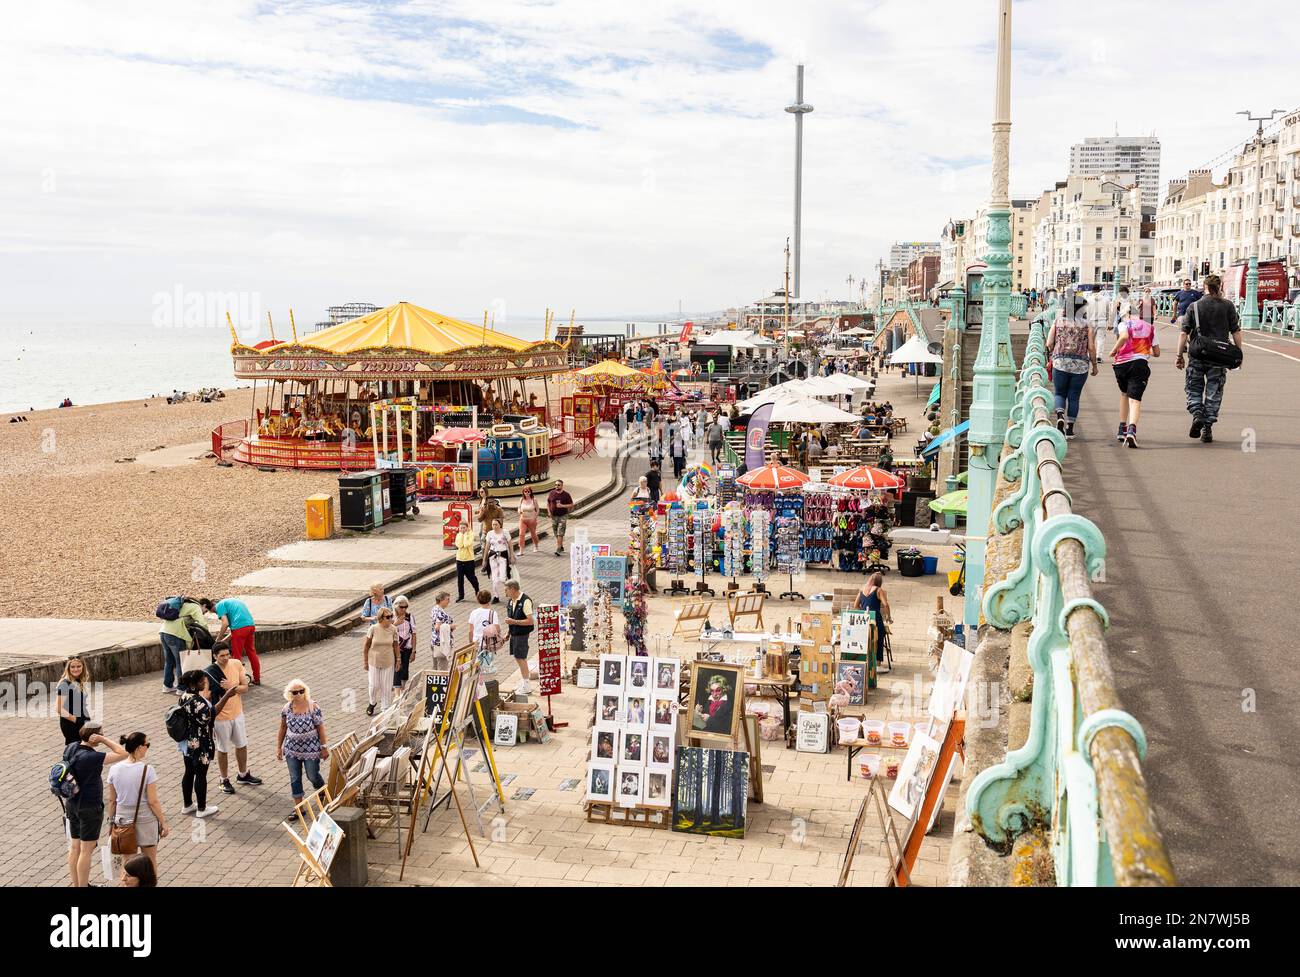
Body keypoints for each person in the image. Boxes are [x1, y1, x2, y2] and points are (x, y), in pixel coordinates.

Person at [1177, 274, 1242, 444]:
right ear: (1220, 286)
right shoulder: (1228, 306)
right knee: (1214, 391)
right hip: (1219, 356)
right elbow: (1236, 331)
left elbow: (1183, 333)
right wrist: (1238, 355)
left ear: (1205, 287)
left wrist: (1179, 356)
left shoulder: (1194, 306)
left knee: (1193, 387)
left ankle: (1197, 414)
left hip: (1198, 354)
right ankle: (1207, 428)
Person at [63, 723, 129, 887]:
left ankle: (78, 884)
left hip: (72, 803)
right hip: (89, 807)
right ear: (94, 736)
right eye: (100, 733)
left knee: (75, 847)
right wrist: (103, 739)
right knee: (86, 850)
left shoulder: (71, 747)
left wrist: (97, 737)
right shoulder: (92, 757)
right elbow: (123, 753)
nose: (103, 734)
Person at [105, 732, 169, 878]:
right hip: (146, 820)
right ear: (140, 747)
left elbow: (112, 801)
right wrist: (163, 822)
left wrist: (111, 823)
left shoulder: (114, 769)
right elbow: (153, 801)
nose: (147, 748)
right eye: (147, 745)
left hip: (123, 821)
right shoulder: (148, 770)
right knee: (150, 860)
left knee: (127, 863)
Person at [177, 669, 237, 818]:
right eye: (201, 681)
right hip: (200, 742)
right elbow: (211, 715)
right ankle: (202, 809)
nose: (204, 683)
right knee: (201, 774)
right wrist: (227, 696)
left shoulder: (184, 696)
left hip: (188, 741)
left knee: (189, 771)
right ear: (193, 684)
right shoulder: (197, 701)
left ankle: (187, 805)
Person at [206, 645, 261, 794]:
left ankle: (243, 775)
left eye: (227, 654)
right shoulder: (209, 673)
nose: (225, 658)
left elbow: (245, 688)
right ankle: (224, 779)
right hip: (220, 718)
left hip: (237, 714)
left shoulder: (236, 664)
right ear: (215, 656)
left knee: (242, 744)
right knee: (223, 749)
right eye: (221, 655)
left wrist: (232, 687)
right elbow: (206, 696)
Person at [276, 680, 329, 821]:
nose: (299, 694)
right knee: (295, 778)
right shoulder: (286, 708)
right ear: (289, 694)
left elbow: (320, 728)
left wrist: (324, 747)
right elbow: (282, 728)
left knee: (312, 775)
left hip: (311, 748)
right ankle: (299, 809)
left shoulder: (313, 706)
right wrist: (278, 747)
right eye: (295, 692)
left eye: (301, 691)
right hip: (292, 749)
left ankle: (322, 790)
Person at [1107, 311, 1160, 448]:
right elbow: (1157, 353)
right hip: (1139, 364)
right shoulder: (1150, 327)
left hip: (1121, 365)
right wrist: (1146, 348)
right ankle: (1131, 430)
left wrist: (1114, 350)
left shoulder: (1123, 324)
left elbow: (1124, 336)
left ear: (1128, 315)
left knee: (1124, 394)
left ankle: (1121, 428)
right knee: (1135, 400)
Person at [1046, 307, 1099, 439]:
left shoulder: (1058, 322)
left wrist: (1054, 353)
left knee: (1059, 393)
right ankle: (1069, 430)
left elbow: (1049, 343)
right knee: (1074, 397)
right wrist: (1095, 365)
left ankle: (1059, 416)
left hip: (1060, 363)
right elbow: (1091, 347)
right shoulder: (1087, 325)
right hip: (1080, 366)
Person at [200, 596, 261, 686]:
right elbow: (235, 631)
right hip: (250, 626)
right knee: (251, 652)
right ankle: (257, 678)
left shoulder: (219, 606)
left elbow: (226, 623)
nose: (218, 615)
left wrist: (218, 639)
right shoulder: (229, 602)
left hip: (240, 628)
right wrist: (224, 641)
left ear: (206, 606)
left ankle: (236, 681)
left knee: (236, 657)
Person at [158, 596, 208, 695]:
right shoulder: (196, 607)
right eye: (205, 611)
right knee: (181, 661)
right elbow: (203, 623)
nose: (204, 613)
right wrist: (208, 635)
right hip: (175, 634)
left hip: (163, 632)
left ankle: (167, 686)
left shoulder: (183, 605)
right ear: (203, 606)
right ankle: (181, 688)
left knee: (169, 661)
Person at [854, 572, 893, 678]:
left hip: (864, 620)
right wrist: (888, 617)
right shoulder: (878, 590)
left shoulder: (862, 589)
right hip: (875, 619)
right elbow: (885, 604)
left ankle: (865, 660)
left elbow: (855, 605)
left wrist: (862, 614)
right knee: (880, 636)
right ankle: (878, 664)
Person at [363, 606, 399, 716]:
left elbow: (396, 645)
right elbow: (366, 645)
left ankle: (385, 708)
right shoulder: (373, 629)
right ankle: (372, 702)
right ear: (381, 618)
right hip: (374, 660)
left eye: (391, 616)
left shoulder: (393, 629)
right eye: (388, 617)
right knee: (374, 685)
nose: (390, 619)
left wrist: (398, 660)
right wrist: (365, 661)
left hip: (388, 661)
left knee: (386, 687)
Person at [503, 580, 535, 695]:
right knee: (518, 658)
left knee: (521, 658)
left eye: (506, 589)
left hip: (522, 634)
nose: (505, 592)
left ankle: (526, 685)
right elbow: (511, 619)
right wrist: (508, 633)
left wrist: (514, 622)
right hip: (514, 633)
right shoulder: (511, 601)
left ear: (512, 589)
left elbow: (530, 621)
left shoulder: (525, 601)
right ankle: (525, 682)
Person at [56, 656, 93, 745]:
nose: (75, 669)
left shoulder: (78, 681)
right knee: (77, 749)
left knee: (85, 748)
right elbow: (59, 709)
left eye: (78, 666)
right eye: (72, 667)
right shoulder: (65, 684)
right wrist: (77, 720)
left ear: (83, 667)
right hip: (71, 724)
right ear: (68, 668)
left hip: (82, 720)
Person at [468, 589, 501, 673]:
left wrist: (471, 642)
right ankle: (486, 682)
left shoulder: (474, 613)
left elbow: (470, 631)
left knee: (476, 666)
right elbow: (497, 629)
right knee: (487, 666)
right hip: (488, 643)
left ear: (478, 600)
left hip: (476, 642)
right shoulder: (493, 613)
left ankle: (477, 683)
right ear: (489, 599)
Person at [483, 517, 512, 603]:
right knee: (495, 579)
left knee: (503, 578)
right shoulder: (490, 534)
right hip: (492, 557)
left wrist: (512, 556)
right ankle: (496, 596)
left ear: (500, 525)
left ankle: (510, 592)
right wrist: (484, 560)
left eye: (496, 524)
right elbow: (487, 547)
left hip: (503, 556)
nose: (494, 526)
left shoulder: (505, 532)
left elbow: (510, 545)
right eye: (493, 524)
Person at [393, 595, 416, 692]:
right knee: (397, 670)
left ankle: (402, 690)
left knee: (405, 671)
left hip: (407, 647)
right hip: (395, 647)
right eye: (401, 607)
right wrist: (395, 624)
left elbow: (414, 634)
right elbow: (385, 631)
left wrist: (414, 651)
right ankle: (397, 694)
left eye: (406, 607)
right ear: (395, 606)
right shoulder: (391, 617)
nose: (404, 609)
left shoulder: (410, 617)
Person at [453, 521, 480, 602]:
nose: (462, 529)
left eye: (464, 528)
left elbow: (466, 544)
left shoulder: (470, 535)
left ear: (467, 528)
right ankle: (461, 595)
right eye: (461, 528)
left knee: (471, 577)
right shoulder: (458, 535)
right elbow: (459, 545)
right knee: (460, 579)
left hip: (469, 560)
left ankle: (477, 590)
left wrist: (465, 535)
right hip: (459, 560)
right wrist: (462, 535)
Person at [547, 479, 574, 555]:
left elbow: (571, 504)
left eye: (558, 485)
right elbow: (548, 503)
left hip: (563, 516)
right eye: (555, 485)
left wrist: (562, 506)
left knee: (560, 533)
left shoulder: (566, 495)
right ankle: (561, 546)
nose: (557, 486)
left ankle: (558, 549)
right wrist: (549, 512)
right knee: (555, 532)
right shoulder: (552, 493)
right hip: (553, 516)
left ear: (562, 486)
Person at [429, 591, 453, 669]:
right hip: (441, 643)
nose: (449, 601)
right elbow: (437, 627)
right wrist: (451, 627)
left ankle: (434, 681)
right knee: (442, 667)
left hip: (434, 640)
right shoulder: (440, 612)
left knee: (435, 666)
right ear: (441, 600)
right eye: (447, 599)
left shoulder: (434, 608)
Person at [516, 487, 540, 555]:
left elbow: (537, 510)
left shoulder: (534, 500)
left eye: (528, 491)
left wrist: (535, 517)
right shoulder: (521, 499)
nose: (526, 493)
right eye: (525, 491)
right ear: (523, 492)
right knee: (521, 534)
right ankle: (521, 550)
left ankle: (536, 545)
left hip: (531, 519)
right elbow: (518, 508)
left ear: (531, 492)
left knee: (533, 534)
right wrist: (519, 511)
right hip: (523, 519)